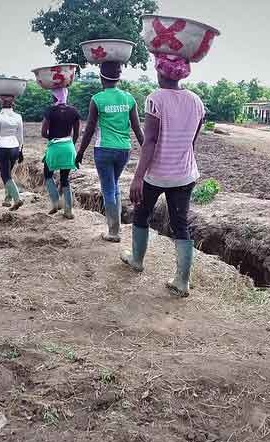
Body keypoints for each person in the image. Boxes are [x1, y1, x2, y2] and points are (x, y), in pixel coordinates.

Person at [120, 54, 205, 298]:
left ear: (159, 72)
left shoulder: (155, 99)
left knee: (141, 213)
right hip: (184, 174)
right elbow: (192, 140)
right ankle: (182, 282)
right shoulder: (196, 101)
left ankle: (136, 260)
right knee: (181, 224)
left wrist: (138, 177)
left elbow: (150, 142)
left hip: (156, 173)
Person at [77, 62, 145, 242]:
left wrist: (80, 152)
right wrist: (148, 152)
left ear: (101, 78)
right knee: (114, 185)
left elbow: (90, 129)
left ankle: (114, 232)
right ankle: (116, 227)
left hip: (104, 149)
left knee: (108, 188)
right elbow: (138, 129)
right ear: (118, 78)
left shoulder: (97, 99)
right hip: (123, 150)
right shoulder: (129, 98)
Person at [41, 88, 80, 219]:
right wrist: (70, 145)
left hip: (54, 146)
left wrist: (53, 138)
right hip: (68, 147)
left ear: (54, 97)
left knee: (47, 174)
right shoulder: (74, 111)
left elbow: (43, 133)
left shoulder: (50, 111)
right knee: (64, 178)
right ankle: (68, 211)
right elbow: (77, 133)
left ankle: (55, 203)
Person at [0, 95, 24, 211]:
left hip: (2, 147)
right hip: (14, 147)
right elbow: (20, 135)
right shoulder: (18, 117)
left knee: (5, 175)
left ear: (1, 104)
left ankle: (17, 198)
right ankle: (7, 199)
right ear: (13, 104)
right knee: (9, 173)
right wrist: (20, 150)